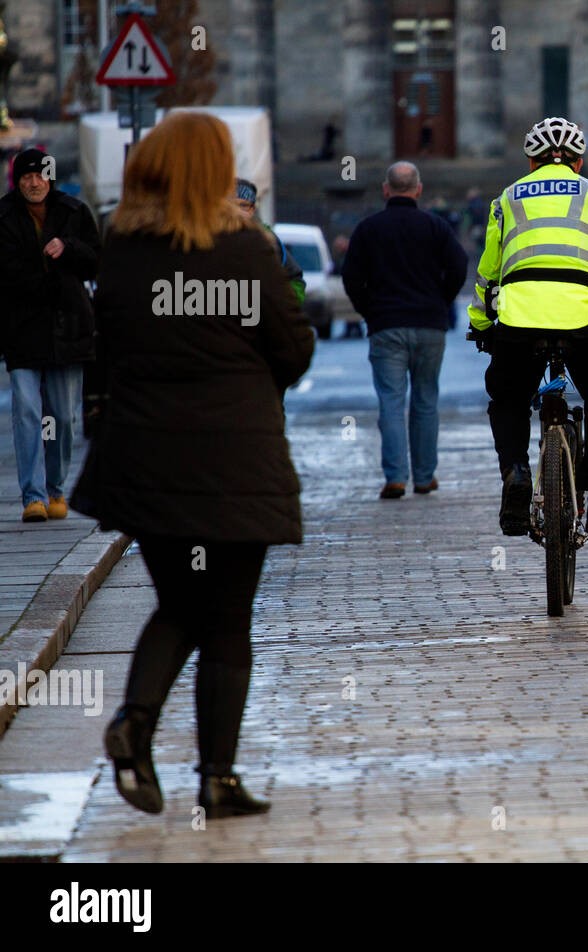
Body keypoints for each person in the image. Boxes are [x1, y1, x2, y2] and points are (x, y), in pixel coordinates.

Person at [70, 111, 315, 818]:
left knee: (180, 602)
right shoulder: (245, 249)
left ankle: (136, 723)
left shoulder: (122, 251)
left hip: (144, 459)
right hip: (234, 460)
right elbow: (293, 352)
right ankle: (216, 776)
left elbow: (105, 352)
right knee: (228, 618)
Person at [466, 116, 588, 541]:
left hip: (520, 319)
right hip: (585, 320)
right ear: (579, 162)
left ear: (531, 163)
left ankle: (515, 472)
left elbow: (487, 275)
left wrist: (480, 324)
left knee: (509, 397)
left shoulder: (506, 200)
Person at [342, 162, 467, 499]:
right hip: (429, 324)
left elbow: (351, 277)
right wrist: (441, 301)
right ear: (418, 189)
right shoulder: (436, 227)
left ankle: (396, 476)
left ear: (386, 189)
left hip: (387, 325)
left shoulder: (368, 229)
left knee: (391, 402)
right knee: (426, 400)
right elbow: (459, 265)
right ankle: (424, 476)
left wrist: (370, 310)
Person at [0, 147, 101, 523]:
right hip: (22, 330)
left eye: (41, 175)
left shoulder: (73, 212)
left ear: (50, 177)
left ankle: (56, 489)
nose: (34, 183)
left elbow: (95, 259)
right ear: (17, 180)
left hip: (67, 328)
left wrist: (68, 247)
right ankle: (33, 496)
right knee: (27, 412)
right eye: (27, 177)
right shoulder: (4, 216)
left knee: (61, 415)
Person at [233, 177, 306, 307]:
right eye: (232, 205)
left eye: (244, 206)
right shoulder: (206, 237)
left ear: (252, 209)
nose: (238, 212)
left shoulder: (267, 239)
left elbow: (295, 279)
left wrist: (284, 307)